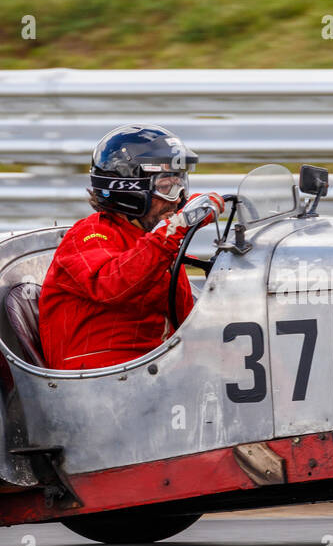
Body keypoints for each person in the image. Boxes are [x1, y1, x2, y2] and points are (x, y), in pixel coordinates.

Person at [39, 125, 223, 370]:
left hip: (156, 369)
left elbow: (186, 324)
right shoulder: (88, 235)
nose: (178, 199)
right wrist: (176, 227)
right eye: (166, 187)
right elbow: (112, 284)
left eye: (181, 185)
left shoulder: (150, 241)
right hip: (104, 382)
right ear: (127, 190)